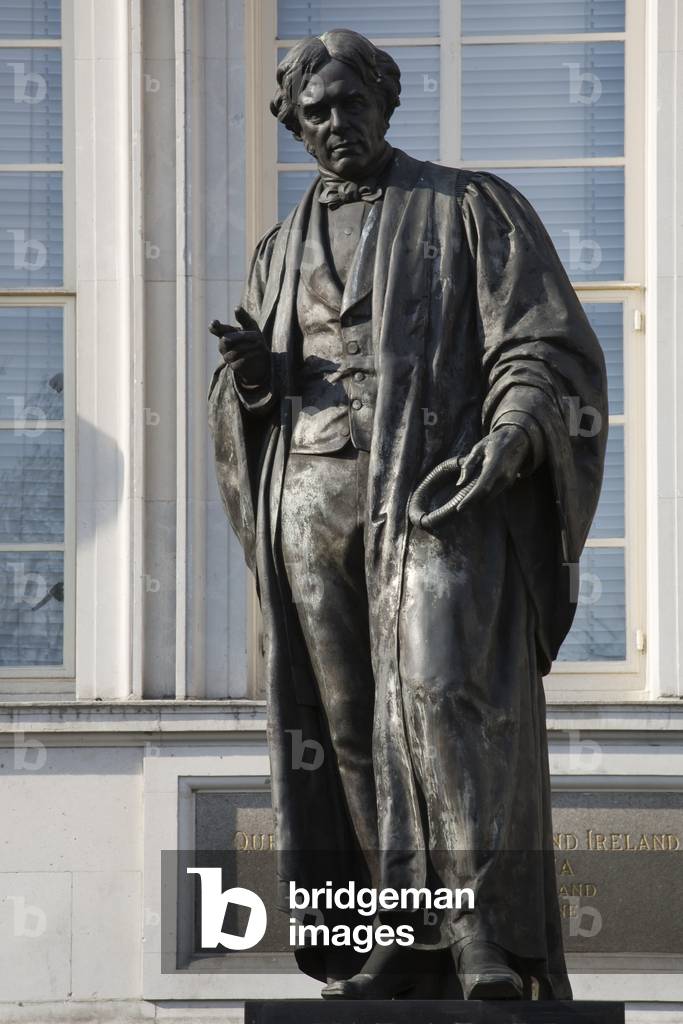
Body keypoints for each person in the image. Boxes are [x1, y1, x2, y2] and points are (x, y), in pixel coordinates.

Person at [209, 28, 607, 1000]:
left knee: (440, 694)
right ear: (294, 126)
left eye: (352, 103)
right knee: (347, 721)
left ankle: (480, 934)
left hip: (435, 492)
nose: (335, 124)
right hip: (310, 498)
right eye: (315, 113)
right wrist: (253, 385)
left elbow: (540, 345)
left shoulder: (468, 207)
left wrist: (513, 431)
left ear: (385, 103)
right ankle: (399, 933)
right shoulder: (276, 252)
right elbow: (243, 399)